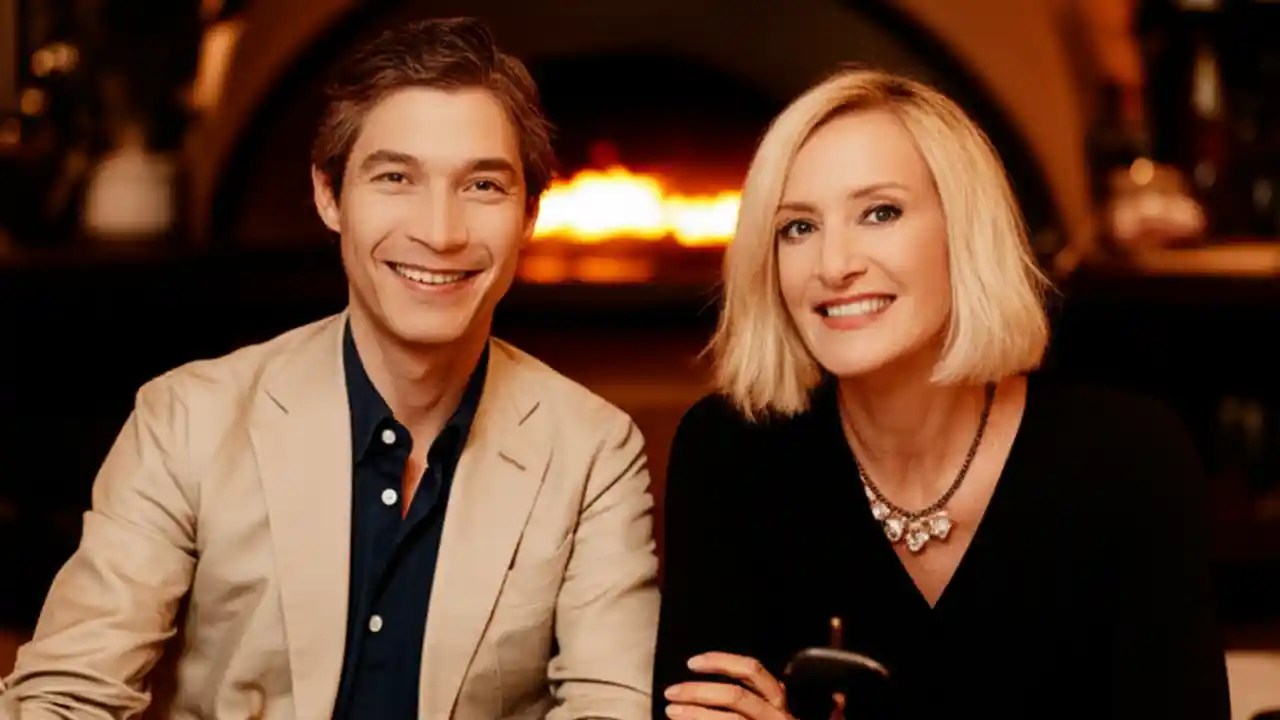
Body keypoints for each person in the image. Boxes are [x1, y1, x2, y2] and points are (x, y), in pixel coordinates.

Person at [1, 18, 659, 720]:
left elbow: (606, 710)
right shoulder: (188, 418)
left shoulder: (595, 451)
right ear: (328, 195)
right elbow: (68, 699)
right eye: (395, 177)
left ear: (528, 214)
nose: (440, 232)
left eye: (483, 186)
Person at [652, 67, 1230, 719]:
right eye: (798, 227)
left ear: (964, 229)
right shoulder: (730, 451)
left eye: (880, 213)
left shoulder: (1129, 459)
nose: (833, 264)